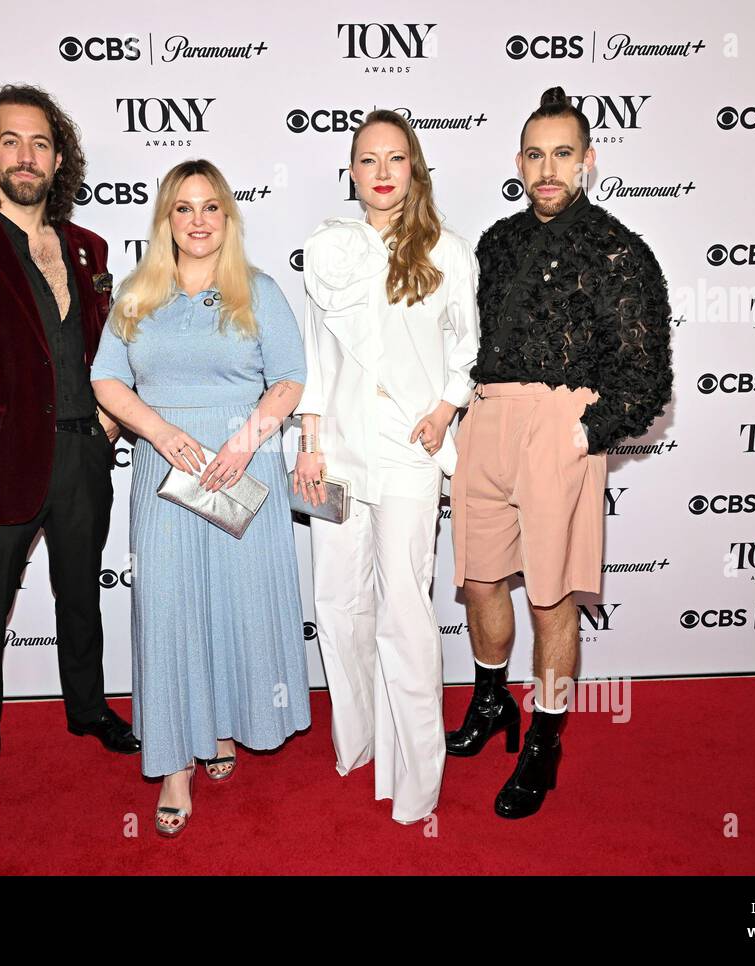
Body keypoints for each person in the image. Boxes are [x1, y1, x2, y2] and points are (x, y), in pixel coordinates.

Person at [0, 84, 139, 833]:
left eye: (40, 142)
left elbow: (105, 350)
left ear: (59, 157)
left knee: (82, 595)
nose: (26, 155)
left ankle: (86, 707)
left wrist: (108, 420)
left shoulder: (89, 248)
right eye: (11, 141)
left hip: (85, 459)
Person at [448, 86, 674, 819]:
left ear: (587, 161)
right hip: (485, 420)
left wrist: (579, 435)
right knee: (481, 580)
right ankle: (491, 702)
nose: (549, 169)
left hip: (560, 428)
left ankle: (544, 744)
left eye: (563, 155)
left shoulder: (619, 251)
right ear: (520, 162)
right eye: (537, 155)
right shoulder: (496, 240)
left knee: (551, 599)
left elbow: (648, 380)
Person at [90, 159, 311, 837]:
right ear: (165, 219)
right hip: (166, 469)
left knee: (235, 605)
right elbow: (105, 378)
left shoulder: (260, 290)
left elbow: (291, 378)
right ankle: (174, 766)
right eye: (183, 208)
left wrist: (245, 441)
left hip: (244, 470)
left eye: (210, 207)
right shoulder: (136, 294)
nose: (198, 221)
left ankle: (220, 727)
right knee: (170, 609)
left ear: (228, 216)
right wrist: (157, 430)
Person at [292, 109, 479, 824]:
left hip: (409, 455)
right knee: (338, 603)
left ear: (414, 167)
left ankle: (417, 777)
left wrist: (445, 408)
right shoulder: (330, 252)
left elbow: (467, 350)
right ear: (350, 171)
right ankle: (359, 741)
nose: (380, 172)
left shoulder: (448, 252)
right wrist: (309, 442)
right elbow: (314, 358)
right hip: (335, 454)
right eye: (366, 159)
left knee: (405, 613)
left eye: (394, 158)